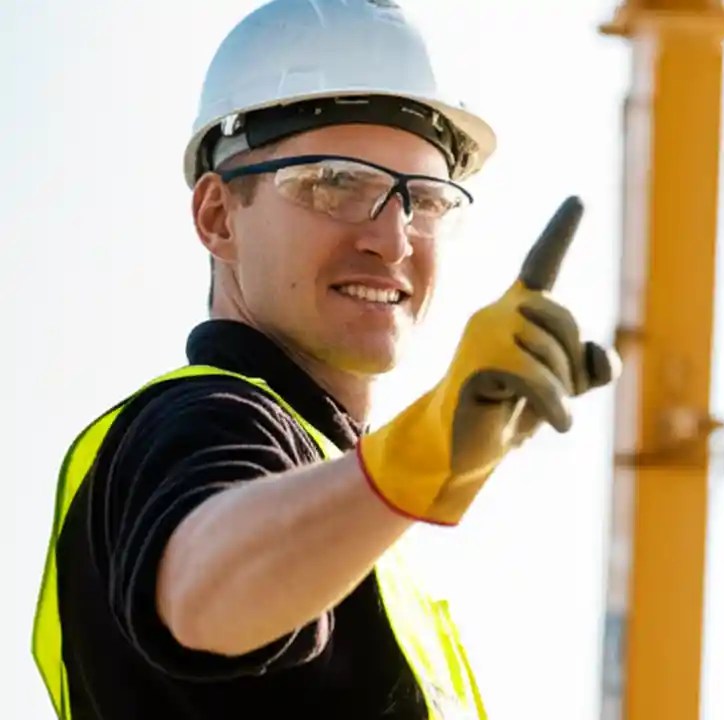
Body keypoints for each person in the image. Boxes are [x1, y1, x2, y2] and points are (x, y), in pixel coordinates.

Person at [30, 1, 619, 718]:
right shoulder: (205, 420)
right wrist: (427, 450)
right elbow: (205, 595)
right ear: (218, 217)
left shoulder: (344, 500)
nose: (393, 241)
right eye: (335, 183)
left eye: (424, 200)